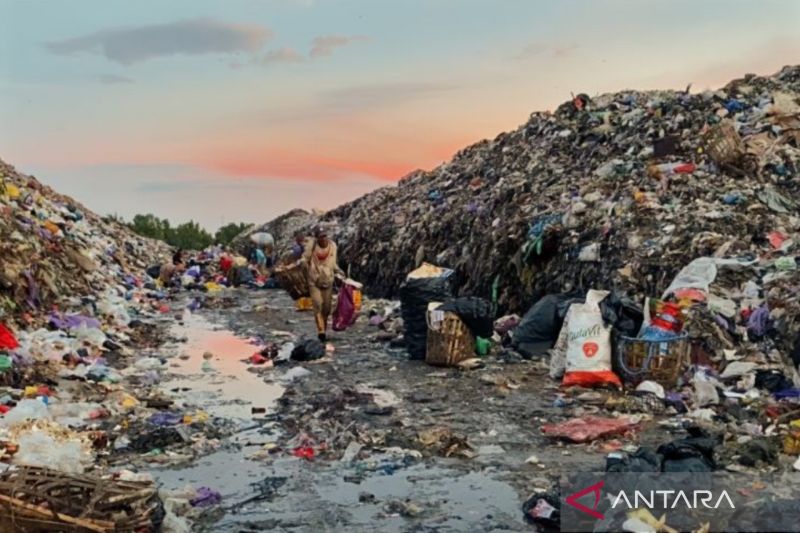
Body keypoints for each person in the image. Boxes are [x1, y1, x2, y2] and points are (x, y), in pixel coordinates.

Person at [297, 226, 344, 342]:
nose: (323, 239)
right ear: (317, 238)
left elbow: (333, 263)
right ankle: (321, 331)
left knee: (327, 308)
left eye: (325, 236)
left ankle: (324, 327)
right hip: (314, 281)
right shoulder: (312, 246)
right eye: (321, 237)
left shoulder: (333, 246)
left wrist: (339, 272)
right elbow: (304, 259)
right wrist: (304, 267)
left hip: (328, 280)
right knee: (317, 304)